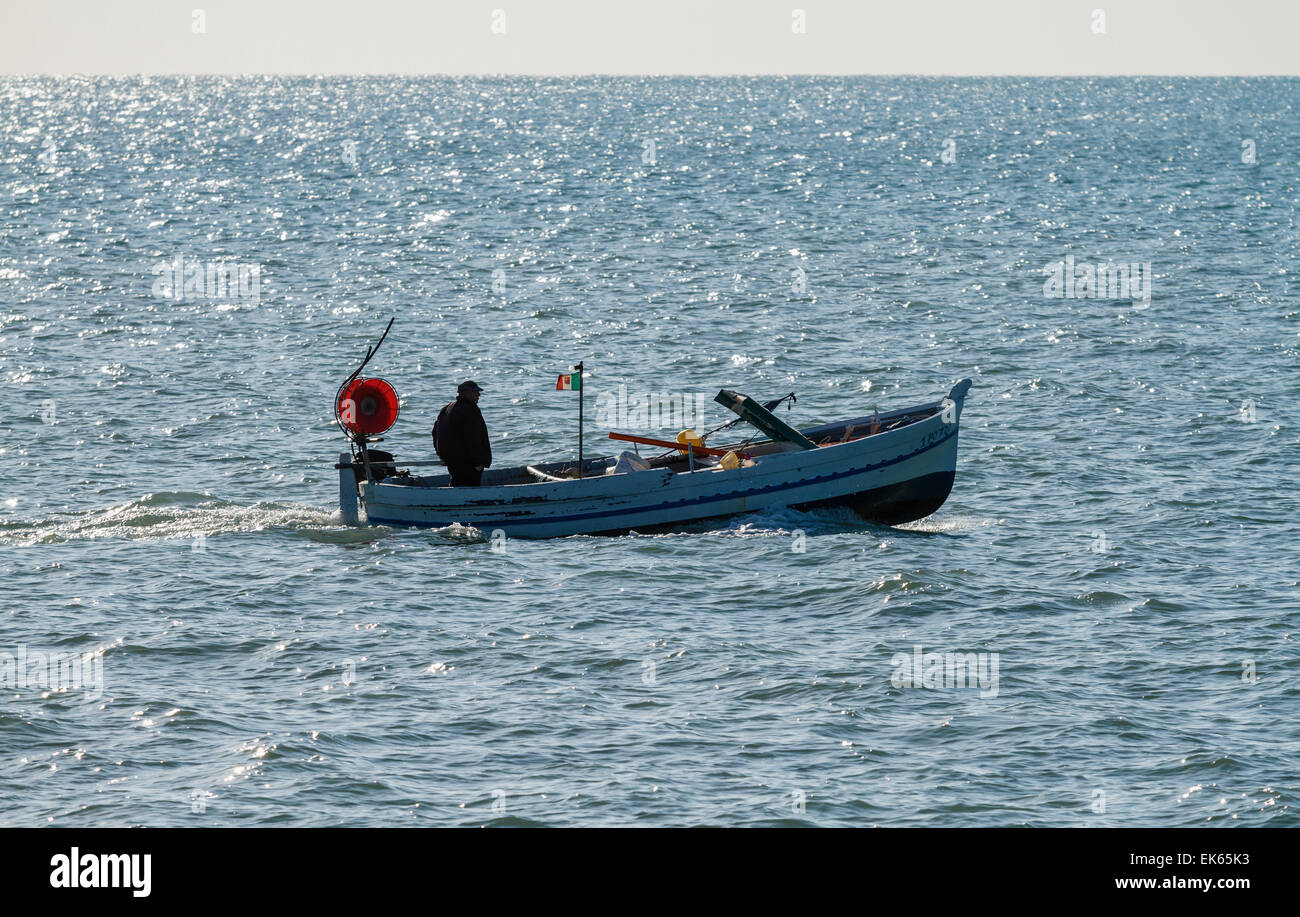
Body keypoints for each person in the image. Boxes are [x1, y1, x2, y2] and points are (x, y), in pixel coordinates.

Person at [433, 380, 491, 486]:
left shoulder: (446, 408)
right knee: (469, 489)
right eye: (475, 392)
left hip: (451, 461)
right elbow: (472, 438)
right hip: (468, 463)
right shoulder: (470, 410)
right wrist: (477, 462)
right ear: (466, 393)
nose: (478, 394)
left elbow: (435, 433)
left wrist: (441, 454)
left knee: (457, 484)